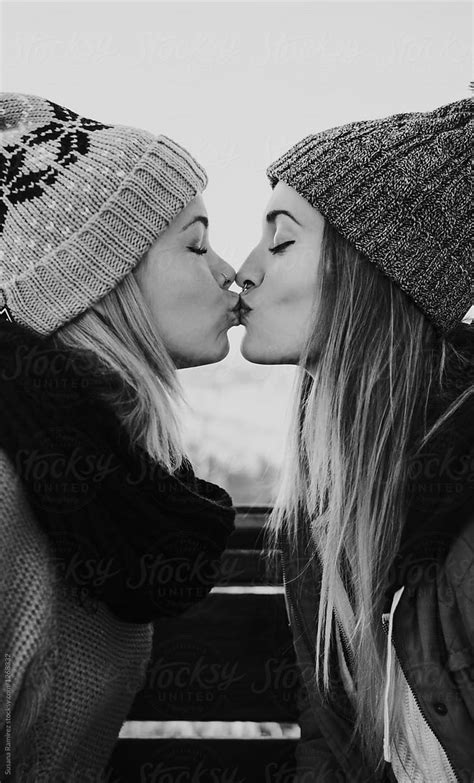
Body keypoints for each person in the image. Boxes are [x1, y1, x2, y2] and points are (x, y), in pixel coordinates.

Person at [0, 93, 239, 782]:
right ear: (96, 283)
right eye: (195, 243)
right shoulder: (13, 486)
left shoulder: (99, 478)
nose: (229, 271)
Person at [237, 97, 473, 782]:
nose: (244, 271)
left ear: (373, 270)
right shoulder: (327, 497)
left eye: (280, 240)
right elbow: (333, 738)